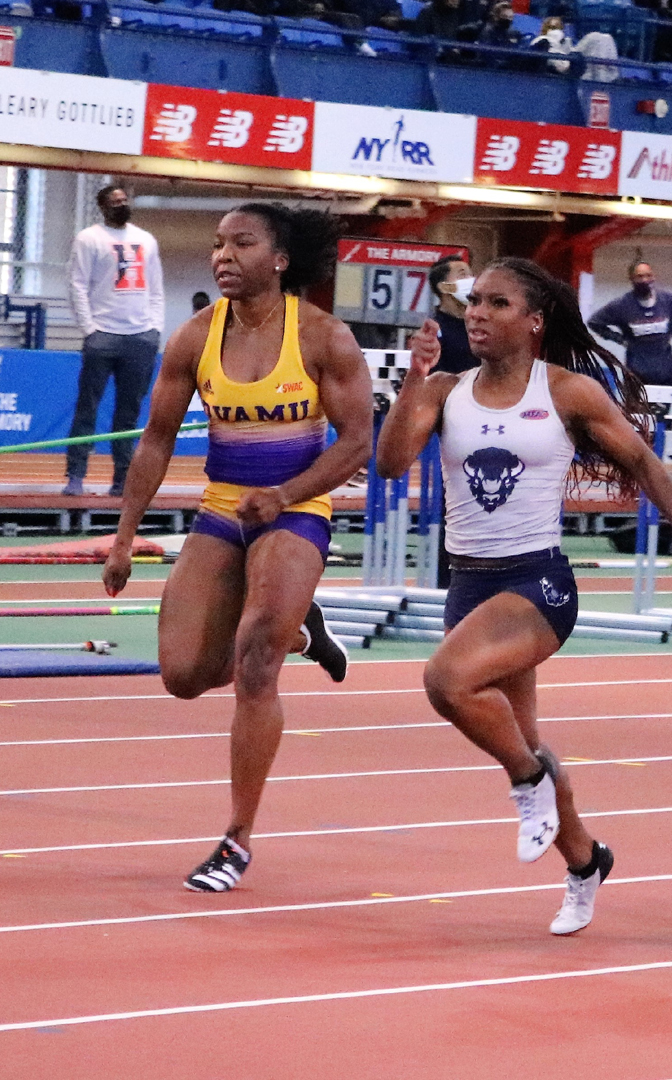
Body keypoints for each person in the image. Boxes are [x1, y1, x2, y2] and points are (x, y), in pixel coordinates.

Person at [377, 258, 672, 933]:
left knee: (446, 680)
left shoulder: (567, 392)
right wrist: (410, 385)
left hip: (537, 582)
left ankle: (526, 784)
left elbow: (644, 462)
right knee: (526, 740)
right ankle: (585, 860)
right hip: (469, 583)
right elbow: (391, 464)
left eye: (497, 303)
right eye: (473, 301)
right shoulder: (445, 389)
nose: (477, 312)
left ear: (533, 322)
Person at [104, 203, 372, 893]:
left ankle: (236, 839)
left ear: (278, 258)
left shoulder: (324, 338)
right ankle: (301, 630)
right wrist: (125, 536)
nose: (223, 255)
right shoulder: (194, 336)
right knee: (184, 674)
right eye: (219, 244)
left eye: (241, 243)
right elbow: (157, 438)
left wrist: (284, 496)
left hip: (296, 510)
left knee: (254, 664)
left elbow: (355, 443)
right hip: (223, 509)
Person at [66, 184, 166, 498]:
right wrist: (90, 330)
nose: (121, 204)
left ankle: (122, 480)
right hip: (103, 336)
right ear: (103, 206)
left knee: (129, 415)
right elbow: (77, 285)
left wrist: (154, 330)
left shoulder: (146, 240)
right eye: (114, 201)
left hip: (140, 338)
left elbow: (156, 289)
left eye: (124, 200)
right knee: (87, 408)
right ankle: (75, 476)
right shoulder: (89, 239)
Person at [586, 256, 672, 387]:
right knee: (637, 407)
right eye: (640, 276)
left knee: (661, 407)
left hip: (665, 372)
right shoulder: (622, 305)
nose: (645, 280)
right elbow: (594, 322)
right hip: (636, 373)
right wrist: (620, 339)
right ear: (632, 279)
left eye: (648, 275)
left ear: (654, 277)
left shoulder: (668, 300)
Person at [426, 254, 479, 374]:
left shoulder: (479, 323)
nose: (471, 280)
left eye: (471, 275)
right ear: (445, 287)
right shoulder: (435, 330)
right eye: (463, 275)